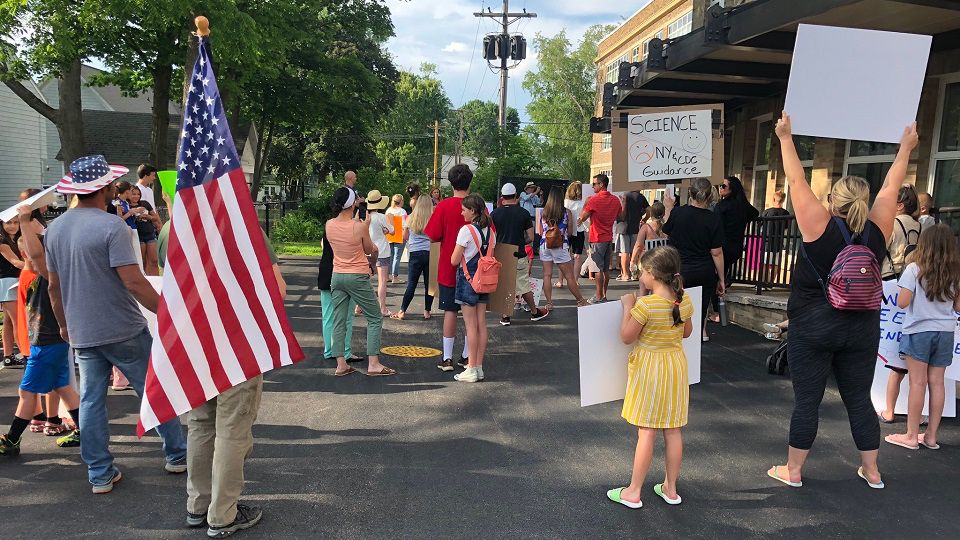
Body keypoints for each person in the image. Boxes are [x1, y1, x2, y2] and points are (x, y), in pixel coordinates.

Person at [766, 113, 917, 491]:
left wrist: (786, 137)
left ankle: (793, 470)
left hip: (812, 326)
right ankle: (873, 470)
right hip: (861, 328)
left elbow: (797, 179)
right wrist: (906, 149)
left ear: (833, 200)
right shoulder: (879, 225)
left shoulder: (817, 222)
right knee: (858, 399)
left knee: (808, 401)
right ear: (865, 201)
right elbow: (891, 186)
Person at [44, 155, 187, 494]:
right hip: (123, 327)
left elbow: (54, 286)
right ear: (104, 188)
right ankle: (177, 455)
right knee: (153, 390)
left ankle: (99, 472)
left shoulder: (55, 230)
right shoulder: (112, 227)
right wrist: (170, 316)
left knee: (92, 400)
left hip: (82, 329)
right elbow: (135, 283)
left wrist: (65, 325)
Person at [185, 232, 287, 538]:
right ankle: (223, 515)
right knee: (233, 430)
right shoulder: (243, 229)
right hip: (238, 343)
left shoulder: (178, 228)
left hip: (195, 340)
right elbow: (277, 291)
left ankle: (197, 505)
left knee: (200, 424)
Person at [607, 246, 694, 509]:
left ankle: (633, 491)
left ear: (653, 274)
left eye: (643, 271)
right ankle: (671, 487)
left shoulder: (645, 305)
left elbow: (626, 337)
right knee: (673, 428)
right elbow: (687, 332)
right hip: (675, 366)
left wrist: (628, 306)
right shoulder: (683, 300)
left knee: (647, 430)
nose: (640, 275)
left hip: (650, 369)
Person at [0, 204, 83, 456]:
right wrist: (28, 220)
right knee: (62, 387)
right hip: (47, 341)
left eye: (28, 255)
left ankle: (12, 439)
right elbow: (33, 251)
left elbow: (36, 253)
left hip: (47, 342)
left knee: (26, 391)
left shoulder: (50, 275)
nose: (26, 258)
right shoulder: (35, 276)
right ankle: (84, 430)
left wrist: (25, 220)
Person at [883, 224, 959, 452]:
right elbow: (958, 306)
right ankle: (932, 437)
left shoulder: (914, 269)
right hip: (945, 331)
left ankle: (911, 435)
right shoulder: (956, 272)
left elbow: (902, 302)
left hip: (918, 331)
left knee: (917, 383)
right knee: (938, 383)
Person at [326, 187, 394, 377]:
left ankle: (341, 364)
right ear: (352, 203)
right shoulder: (359, 226)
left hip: (337, 275)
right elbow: (371, 249)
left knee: (339, 320)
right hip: (357, 275)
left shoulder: (329, 224)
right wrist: (372, 265)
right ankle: (373, 363)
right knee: (374, 317)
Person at [877, 185, 921, 422]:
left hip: (888, 279)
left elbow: (879, 249)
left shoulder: (892, 225)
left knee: (886, 335)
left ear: (900, 205)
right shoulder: (920, 226)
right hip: (908, 281)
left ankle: (886, 402)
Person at [425, 164, 474, 372]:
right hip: (472, 270)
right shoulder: (476, 206)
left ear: (450, 182)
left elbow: (433, 235)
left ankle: (447, 358)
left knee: (450, 312)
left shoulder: (443, 206)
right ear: (469, 182)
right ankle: (466, 355)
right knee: (471, 315)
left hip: (448, 267)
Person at [662, 178, 724, 341]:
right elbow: (717, 253)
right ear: (710, 196)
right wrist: (722, 279)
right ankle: (699, 333)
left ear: (690, 193)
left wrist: (669, 207)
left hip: (679, 269)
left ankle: (674, 334)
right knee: (701, 306)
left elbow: (666, 230)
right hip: (704, 270)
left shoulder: (678, 213)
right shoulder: (713, 219)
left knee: (675, 303)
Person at [492, 183, 549, 325]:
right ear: (516, 195)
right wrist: (521, 242)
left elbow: (492, 236)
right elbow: (531, 236)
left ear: (502, 197)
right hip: (518, 253)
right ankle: (535, 312)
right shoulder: (523, 213)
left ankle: (505, 316)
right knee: (523, 285)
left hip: (501, 253)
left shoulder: (495, 214)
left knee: (505, 285)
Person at [451, 194, 493, 383]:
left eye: (464, 209)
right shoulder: (491, 232)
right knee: (481, 323)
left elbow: (454, 260)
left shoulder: (466, 230)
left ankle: (471, 368)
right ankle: (479, 367)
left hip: (468, 280)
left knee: (470, 326)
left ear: (473, 211)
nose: (461, 212)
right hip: (485, 280)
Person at [712, 176, 759, 317]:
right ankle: (717, 307)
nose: (721, 188)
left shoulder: (722, 206)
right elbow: (755, 213)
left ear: (732, 189)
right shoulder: (742, 205)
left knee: (716, 275)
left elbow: (715, 225)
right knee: (722, 273)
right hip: (736, 246)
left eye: (724, 186)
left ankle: (716, 309)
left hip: (722, 246)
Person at [538, 186, 588, 309]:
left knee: (547, 275)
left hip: (545, 245)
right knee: (569, 276)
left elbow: (540, 232)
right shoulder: (566, 212)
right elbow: (570, 232)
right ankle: (580, 300)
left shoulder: (543, 212)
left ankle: (549, 303)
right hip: (560, 246)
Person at [578, 173, 622, 304]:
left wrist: (585, 205)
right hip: (608, 237)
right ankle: (603, 294)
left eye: (594, 184)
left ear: (601, 184)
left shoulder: (593, 200)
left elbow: (582, 219)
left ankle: (598, 296)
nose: (592, 187)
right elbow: (621, 217)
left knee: (597, 269)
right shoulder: (615, 200)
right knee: (605, 270)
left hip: (597, 238)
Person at [318, 235, 362, 363]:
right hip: (344, 272)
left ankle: (329, 350)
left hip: (326, 271)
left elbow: (323, 245)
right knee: (346, 317)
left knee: (328, 316)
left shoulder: (329, 225)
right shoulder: (351, 228)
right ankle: (345, 352)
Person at [393, 196, 435, 321]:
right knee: (429, 285)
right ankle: (427, 311)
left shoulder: (411, 217)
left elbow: (405, 236)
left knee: (412, 283)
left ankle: (402, 310)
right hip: (430, 253)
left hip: (415, 253)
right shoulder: (433, 218)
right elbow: (436, 237)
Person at [629, 202, 669, 295]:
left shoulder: (646, 227)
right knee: (659, 290)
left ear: (651, 213)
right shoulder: (667, 227)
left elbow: (638, 245)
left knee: (644, 291)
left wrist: (633, 261)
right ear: (663, 213)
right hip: (662, 262)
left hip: (647, 261)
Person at [366, 190, 395, 317]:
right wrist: (386, 230)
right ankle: (382, 308)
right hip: (382, 251)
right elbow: (393, 231)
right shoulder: (381, 217)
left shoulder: (365, 217)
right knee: (382, 281)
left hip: (367, 250)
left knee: (364, 280)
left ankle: (358, 307)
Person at [1, 218, 24, 368]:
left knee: (9, 321)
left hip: (14, 281)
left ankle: (8, 356)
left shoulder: (16, 240)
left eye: (16, 222)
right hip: (7, 282)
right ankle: (26, 354)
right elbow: (15, 262)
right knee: (18, 321)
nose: (12, 226)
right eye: (8, 223)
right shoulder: (2, 242)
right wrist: (38, 268)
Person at [616, 191, 650, 281]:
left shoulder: (625, 195)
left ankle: (625, 275)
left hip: (623, 227)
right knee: (634, 252)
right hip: (635, 227)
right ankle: (634, 274)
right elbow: (649, 210)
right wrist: (644, 219)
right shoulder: (641, 197)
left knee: (624, 252)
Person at [129, 186, 162, 276]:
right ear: (128, 194)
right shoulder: (126, 206)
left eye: (138, 194)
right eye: (133, 194)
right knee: (142, 262)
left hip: (150, 234)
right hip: (138, 237)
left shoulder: (145, 203)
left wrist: (149, 217)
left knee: (154, 261)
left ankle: (156, 281)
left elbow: (156, 218)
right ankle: (146, 280)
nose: (136, 196)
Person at [760, 191, 791, 279]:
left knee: (765, 263)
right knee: (776, 263)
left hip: (766, 242)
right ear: (783, 200)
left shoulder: (766, 212)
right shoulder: (786, 213)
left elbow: (761, 227)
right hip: (778, 242)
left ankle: (764, 281)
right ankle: (770, 283)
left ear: (773, 199)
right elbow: (786, 229)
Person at [562, 181, 587, 289]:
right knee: (577, 256)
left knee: (563, 255)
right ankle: (575, 280)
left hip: (566, 230)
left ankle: (561, 280)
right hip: (579, 230)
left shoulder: (565, 202)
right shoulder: (583, 203)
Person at [385, 194, 408, 284]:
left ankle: (386, 276)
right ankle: (395, 277)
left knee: (390, 256)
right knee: (397, 257)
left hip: (390, 235)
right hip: (399, 234)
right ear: (401, 201)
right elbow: (404, 224)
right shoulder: (402, 211)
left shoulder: (388, 210)